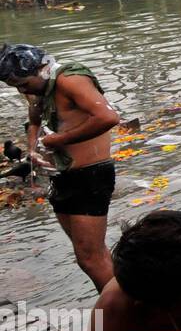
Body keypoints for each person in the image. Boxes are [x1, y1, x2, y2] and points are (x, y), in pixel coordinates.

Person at [0, 44, 120, 290]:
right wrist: (34, 149)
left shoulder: (70, 79)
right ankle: (125, 303)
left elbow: (108, 118)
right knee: (88, 255)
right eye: (16, 87)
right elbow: (33, 121)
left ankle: (122, 314)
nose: (22, 90)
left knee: (90, 259)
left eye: (24, 84)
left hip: (90, 175)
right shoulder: (37, 88)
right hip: (61, 177)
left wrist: (59, 140)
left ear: (43, 70)